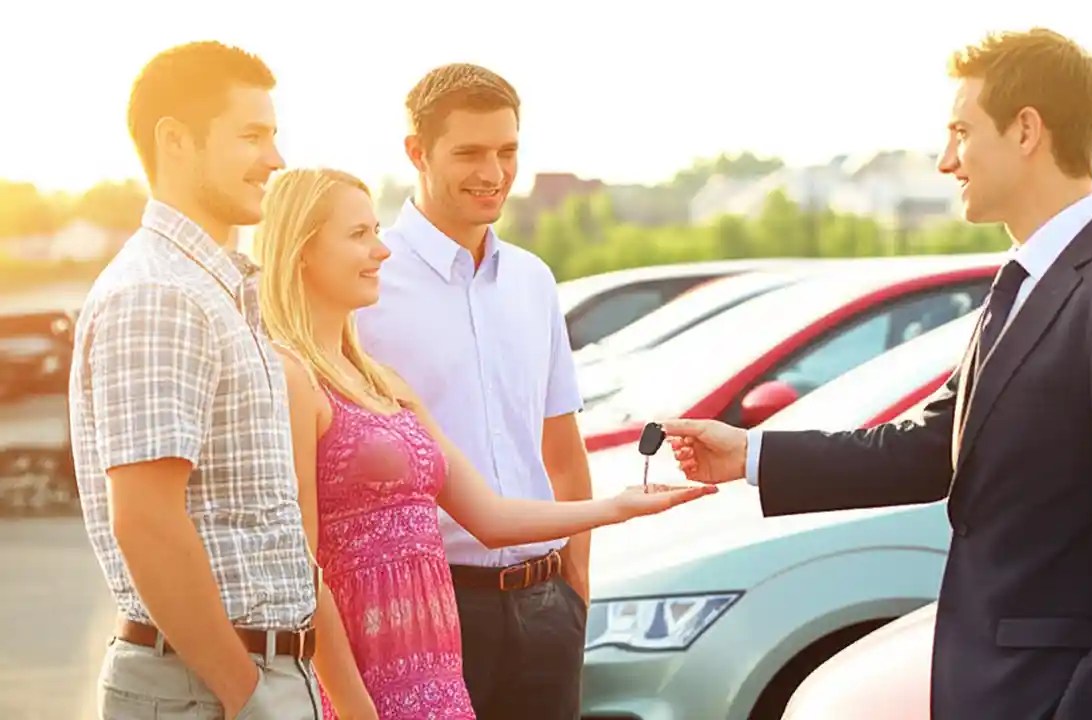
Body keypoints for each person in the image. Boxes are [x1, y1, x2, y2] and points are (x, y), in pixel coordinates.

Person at [664, 28, 1092, 720]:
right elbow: (935, 448)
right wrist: (749, 455)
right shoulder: (1025, 283)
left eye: (961, 131)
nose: (945, 160)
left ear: (1026, 130)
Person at [253, 167, 714, 719]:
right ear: (302, 250)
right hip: (362, 682)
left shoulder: (382, 380)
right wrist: (356, 712)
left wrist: (619, 507)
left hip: (436, 677)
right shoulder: (288, 377)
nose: (381, 250)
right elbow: (301, 570)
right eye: (358, 235)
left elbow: (490, 517)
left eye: (376, 230)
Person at [67, 42, 320, 719]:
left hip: (243, 678)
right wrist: (248, 696)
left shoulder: (212, 288)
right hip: (205, 688)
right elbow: (146, 521)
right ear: (176, 141)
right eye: (252, 135)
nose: (275, 158)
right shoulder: (160, 293)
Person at [353, 63, 598, 718]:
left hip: (547, 610)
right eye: (469, 153)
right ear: (417, 152)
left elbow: (562, 450)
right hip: (424, 608)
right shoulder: (366, 284)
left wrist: (576, 588)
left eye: (507, 151)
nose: (493, 172)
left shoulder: (533, 280)